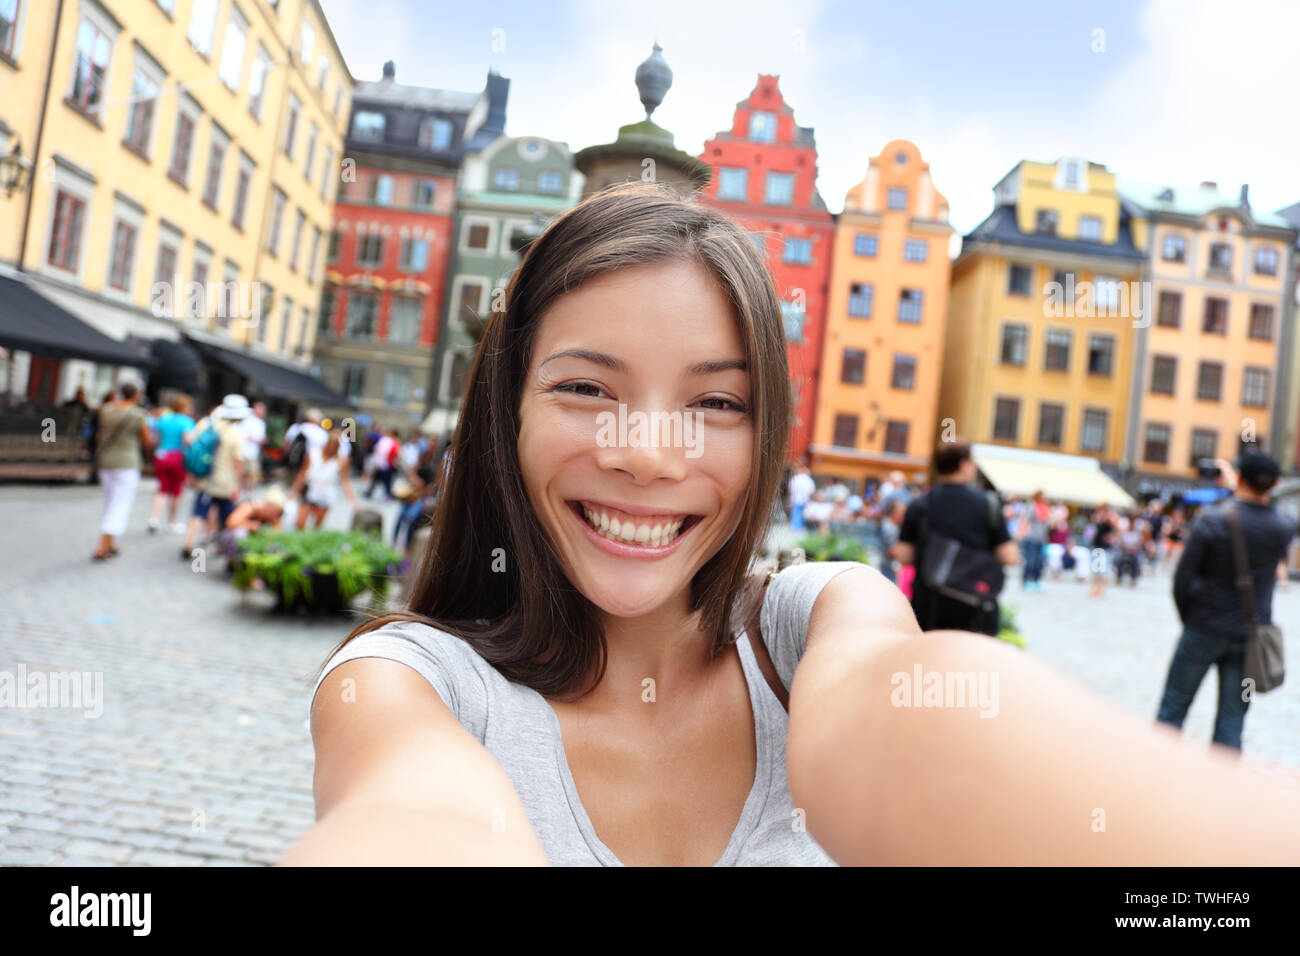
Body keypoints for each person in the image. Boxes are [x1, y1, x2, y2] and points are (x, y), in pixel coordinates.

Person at [283, 183, 1300, 868]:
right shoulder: (411, 686)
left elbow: (916, 727)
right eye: (588, 385)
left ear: (767, 431)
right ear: (506, 410)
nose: (649, 452)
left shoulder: (815, 624)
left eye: (717, 403)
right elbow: (415, 821)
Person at [1156, 454, 1295, 752]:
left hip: (1203, 628)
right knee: (1232, 720)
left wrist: (1190, 618)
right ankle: (1222, 792)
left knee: (1173, 708)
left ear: (1239, 478)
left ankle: (1155, 779)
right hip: (1249, 636)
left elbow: (1182, 580)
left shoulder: (1213, 519)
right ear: (1275, 484)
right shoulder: (1282, 528)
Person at [892, 440, 1020, 634]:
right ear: (963, 464)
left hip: (929, 605)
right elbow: (1010, 557)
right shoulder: (988, 504)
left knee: (930, 662)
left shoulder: (920, 505)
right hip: (975, 605)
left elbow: (904, 556)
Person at [181, 395, 250, 560]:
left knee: (199, 511)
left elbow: (189, 442)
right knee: (226, 516)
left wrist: (193, 470)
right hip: (225, 482)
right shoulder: (236, 433)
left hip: (205, 477)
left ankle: (188, 543)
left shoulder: (207, 423)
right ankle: (224, 548)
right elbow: (238, 463)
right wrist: (238, 486)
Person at [91, 383, 153, 561]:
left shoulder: (107, 409)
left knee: (111, 501)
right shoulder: (137, 413)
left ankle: (111, 543)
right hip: (127, 462)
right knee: (120, 504)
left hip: (105, 460)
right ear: (135, 395)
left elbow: (100, 432)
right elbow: (146, 440)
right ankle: (102, 546)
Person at [147, 394, 195, 534]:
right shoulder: (186, 421)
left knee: (161, 489)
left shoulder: (163, 419)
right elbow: (188, 440)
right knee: (176, 491)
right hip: (177, 456)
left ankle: (153, 518)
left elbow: (155, 436)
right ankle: (172, 521)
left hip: (161, 455)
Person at [291, 431, 359, 529]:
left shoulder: (341, 460)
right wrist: (295, 491)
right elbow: (302, 474)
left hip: (325, 494)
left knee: (317, 526)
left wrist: (352, 499)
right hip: (309, 490)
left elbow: (344, 480)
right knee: (299, 523)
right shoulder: (313, 453)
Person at [1020, 490, 1050, 592]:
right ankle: (1027, 580)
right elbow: (1025, 519)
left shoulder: (1045, 508)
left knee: (1040, 562)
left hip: (1042, 538)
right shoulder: (1031, 506)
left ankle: (1036, 580)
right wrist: (1021, 532)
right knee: (1030, 560)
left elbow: (1048, 523)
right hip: (1032, 537)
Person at [240, 401, 268, 492]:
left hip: (253, 453)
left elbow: (261, 438)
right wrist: (257, 439)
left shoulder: (262, 423)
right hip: (244, 451)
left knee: (252, 474)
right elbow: (243, 435)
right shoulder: (248, 420)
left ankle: (248, 492)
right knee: (243, 473)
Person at [787, 462, 814, 531]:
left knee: (796, 512)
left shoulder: (796, 478)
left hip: (796, 499)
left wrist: (790, 499)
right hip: (805, 499)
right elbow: (811, 491)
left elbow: (791, 490)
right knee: (802, 513)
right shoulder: (809, 480)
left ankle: (795, 526)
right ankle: (799, 526)